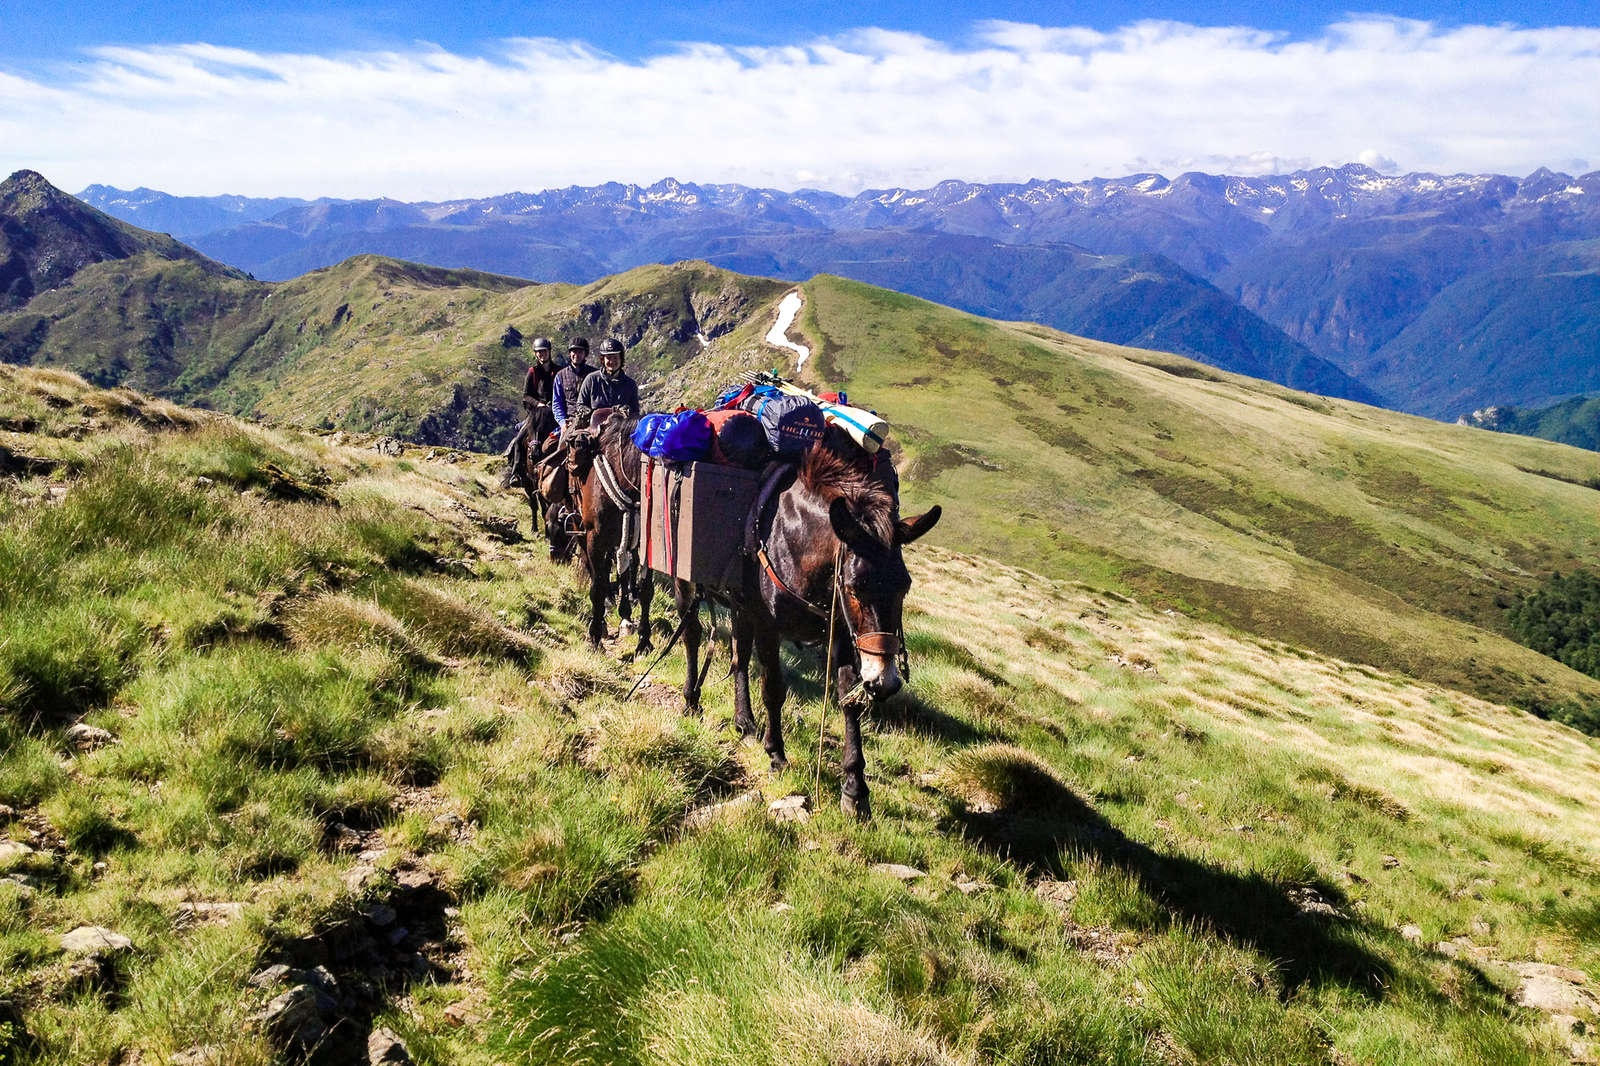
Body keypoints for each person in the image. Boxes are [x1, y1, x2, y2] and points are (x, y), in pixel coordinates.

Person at [501, 336, 557, 489]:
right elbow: (526, 395)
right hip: (535, 415)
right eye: (539, 352)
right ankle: (516, 472)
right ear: (535, 354)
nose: (541, 355)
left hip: (553, 414)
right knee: (519, 440)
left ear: (549, 352)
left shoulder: (558, 371)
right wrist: (537, 404)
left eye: (544, 352)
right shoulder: (532, 372)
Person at [572, 337, 640, 431]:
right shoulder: (591, 379)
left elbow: (636, 412)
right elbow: (581, 405)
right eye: (608, 358)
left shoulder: (630, 384)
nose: (612, 362)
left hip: (621, 430)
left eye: (615, 358)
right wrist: (590, 414)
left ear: (621, 359)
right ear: (603, 360)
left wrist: (626, 411)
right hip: (594, 429)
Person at [552, 337, 596, 439]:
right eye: (574, 351)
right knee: (548, 448)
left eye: (580, 351)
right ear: (569, 353)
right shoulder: (560, 376)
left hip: (592, 422)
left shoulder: (595, 375)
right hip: (569, 422)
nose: (576, 354)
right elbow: (557, 404)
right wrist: (563, 423)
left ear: (586, 354)